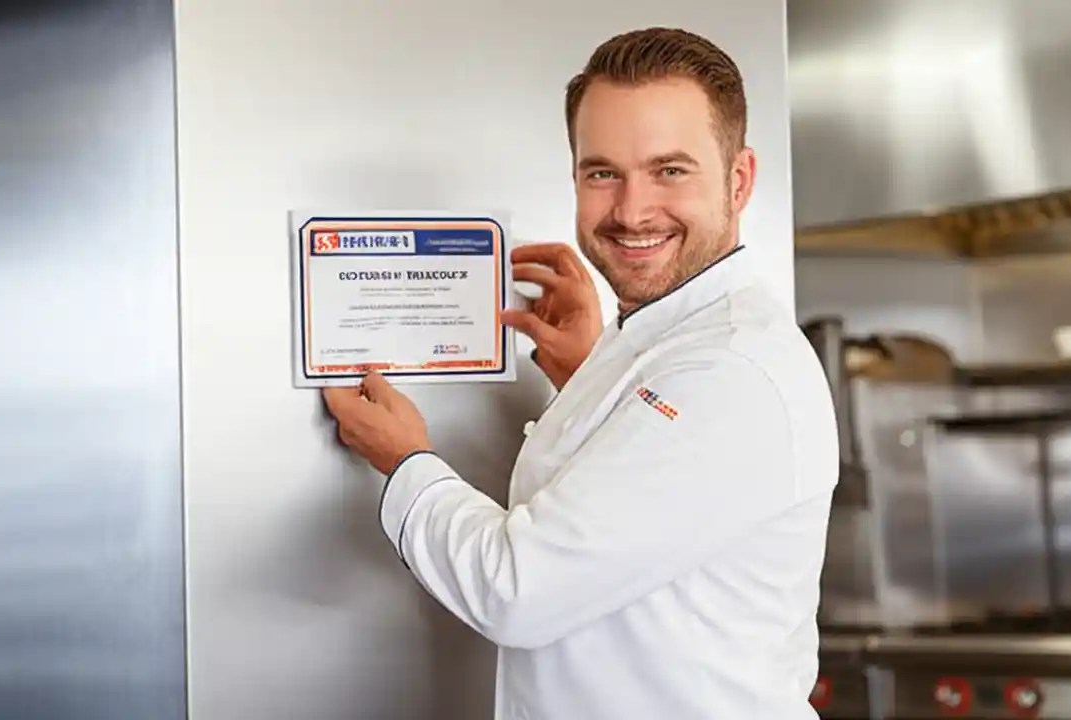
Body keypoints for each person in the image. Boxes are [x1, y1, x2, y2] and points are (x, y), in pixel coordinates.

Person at [322, 26, 838, 720]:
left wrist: (406, 461)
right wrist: (593, 375)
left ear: (739, 179)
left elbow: (518, 589)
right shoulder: (665, 343)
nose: (631, 210)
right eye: (602, 173)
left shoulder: (734, 370)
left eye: (669, 171)